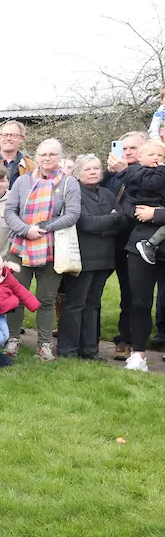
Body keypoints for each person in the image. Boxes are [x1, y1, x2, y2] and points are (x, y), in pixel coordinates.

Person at [3, 138, 81, 360]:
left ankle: (44, 345)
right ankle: (13, 340)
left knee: (46, 298)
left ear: (60, 157)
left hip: (51, 249)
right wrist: (26, 230)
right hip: (20, 246)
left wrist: (44, 228)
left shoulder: (69, 183)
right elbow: (10, 211)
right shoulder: (22, 181)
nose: (47, 158)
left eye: (53, 155)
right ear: (37, 157)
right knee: (15, 296)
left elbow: (72, 214)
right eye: (43, 154)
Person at [58, 155, 127, 360]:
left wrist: (105, 224)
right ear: (78, 173)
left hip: (105, 257)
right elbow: (86, 223)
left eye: (96, 168)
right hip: (81, 257)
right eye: (88, 169)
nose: (93, 172)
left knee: (93, 304)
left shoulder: (107, 193)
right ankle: (68, 349)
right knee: (75, 304)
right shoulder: (73, 192)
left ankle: (90, 350)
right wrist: (111, 219)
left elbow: (122, 221)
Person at [118, 140, 165, 372]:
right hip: (139, 244)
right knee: (139, 301)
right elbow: (125, 203)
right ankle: (138, 354)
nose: (156, 157)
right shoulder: (135, 175)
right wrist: (137, 212)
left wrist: (156, 214)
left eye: (160, 154)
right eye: (151, 153)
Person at [104, 131, 149, 358]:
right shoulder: (109, 175)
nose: (128, 152)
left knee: (131, 293)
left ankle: (127, 339)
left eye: (134, 148)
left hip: (133, 240)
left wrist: (126, 171)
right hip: (107, 239)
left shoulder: (147, 174)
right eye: (125, 148)